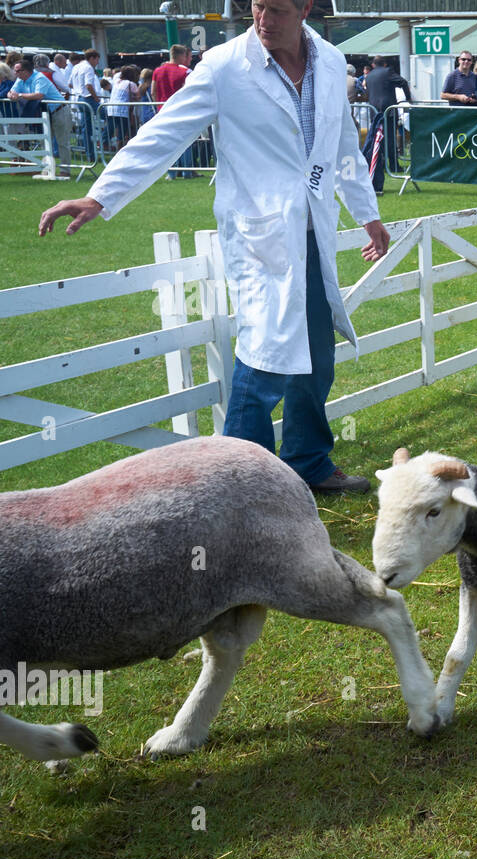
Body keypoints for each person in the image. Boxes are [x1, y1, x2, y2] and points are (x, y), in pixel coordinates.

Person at [37, 0, 390, 496]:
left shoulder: (330, 61)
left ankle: (308, 460)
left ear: (306, 7)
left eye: (279, 10)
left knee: (316, 354)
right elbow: (164, 133)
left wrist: (366, 211)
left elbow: (341, 148)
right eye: (258, 6)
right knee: (263, 356)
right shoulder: (225, 66)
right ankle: (237, 485)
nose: (264, 19)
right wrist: (100, 195)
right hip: (260, 235)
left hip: (314, 229)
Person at [7, 57, 71, 176]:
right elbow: (11, 92)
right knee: (45, 142)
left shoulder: (39, 78)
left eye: (17, 71)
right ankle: (47, 170)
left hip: (59, 110)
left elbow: (39, 95)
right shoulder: (21, 79)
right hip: (46, 112)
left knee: (62, 142)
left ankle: (65, 171)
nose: (14, 73)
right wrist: (11, 95)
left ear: (25, 71)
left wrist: (19, 95)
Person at [366, 55, 413, 195]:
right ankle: (393, 165)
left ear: (373, 65)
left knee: (377, 142)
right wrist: (408, 98)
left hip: (374, 111)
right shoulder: (388, 72)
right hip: (388, 110)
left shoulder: (368, 76)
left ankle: (381, 166)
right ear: (385, 64)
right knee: (391, 139)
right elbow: (403, 82)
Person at [152, 44, 196, 178]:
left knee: (168, 143)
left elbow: (154, 91)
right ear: (182, 55)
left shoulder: (157, 71)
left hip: (162, 110)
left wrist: (157, 108)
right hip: (181, 111)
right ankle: (186, 171)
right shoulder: (185, 72)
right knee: (185, 141)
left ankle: (171, 172)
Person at [68, 49, 101, 164]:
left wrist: (78, 89)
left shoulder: (76, 67)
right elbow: (88, 85)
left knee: (86, 129)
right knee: (110, 117)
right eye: (97, 60)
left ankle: (90, 155)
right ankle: (105, 141)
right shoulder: (88, 68)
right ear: (92, 58)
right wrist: (96, 97)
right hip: (88, 98)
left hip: (79, 99)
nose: (97, 63)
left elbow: (69, 84)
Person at [105, 65, 141, 151]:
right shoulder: (131, 84)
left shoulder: (116, 81)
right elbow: (138, 96)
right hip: (123, 111)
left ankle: (104, 146)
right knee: (122, 131)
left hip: (111, 109)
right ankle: (119, 149)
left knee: (109, 130)